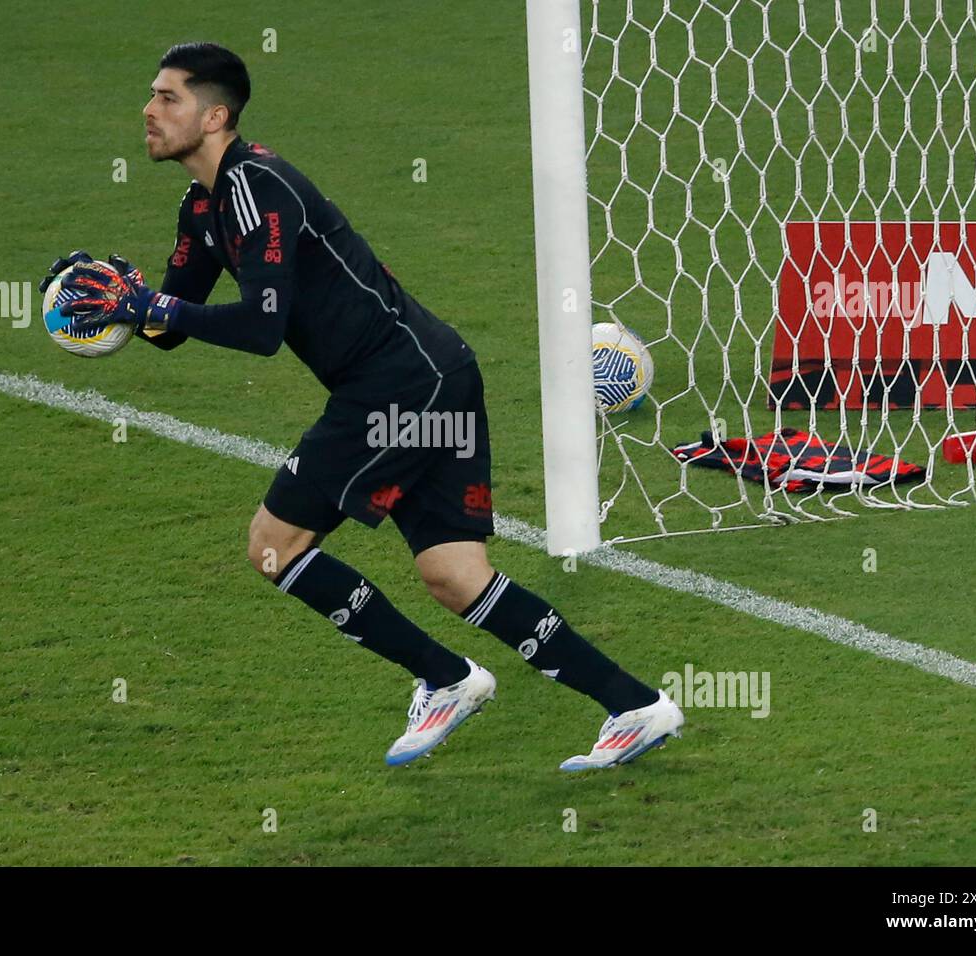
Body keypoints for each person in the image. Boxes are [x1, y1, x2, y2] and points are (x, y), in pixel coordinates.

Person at [40, 42, 683, 770]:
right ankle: (634, 705)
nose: (149, 111)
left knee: (273, 546)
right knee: (454, 574)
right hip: (438, 372)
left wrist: (151, 304)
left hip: (397, 385)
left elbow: (260, 326)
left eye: (167, 98)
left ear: (215, 114)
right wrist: (116, 299)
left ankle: (448, 680)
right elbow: (173, 323)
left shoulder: (257, 190)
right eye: (151, 97)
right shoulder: (202, 207)